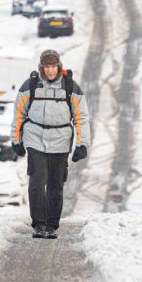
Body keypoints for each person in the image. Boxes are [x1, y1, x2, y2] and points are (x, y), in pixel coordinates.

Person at [10, 49, 91, 239]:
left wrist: (82, 144)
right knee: (37, 182)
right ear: (41, 68)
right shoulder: (30, 86)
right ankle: (39, 224)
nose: (50, 71)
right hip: (35, 138)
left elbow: (81, 117)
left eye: (53, 66)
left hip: (61, 141)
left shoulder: (71, 87)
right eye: (46, 67)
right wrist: (16, 140)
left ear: (58, 66)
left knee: (56, 184)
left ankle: (52, 225)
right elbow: (19, 114)